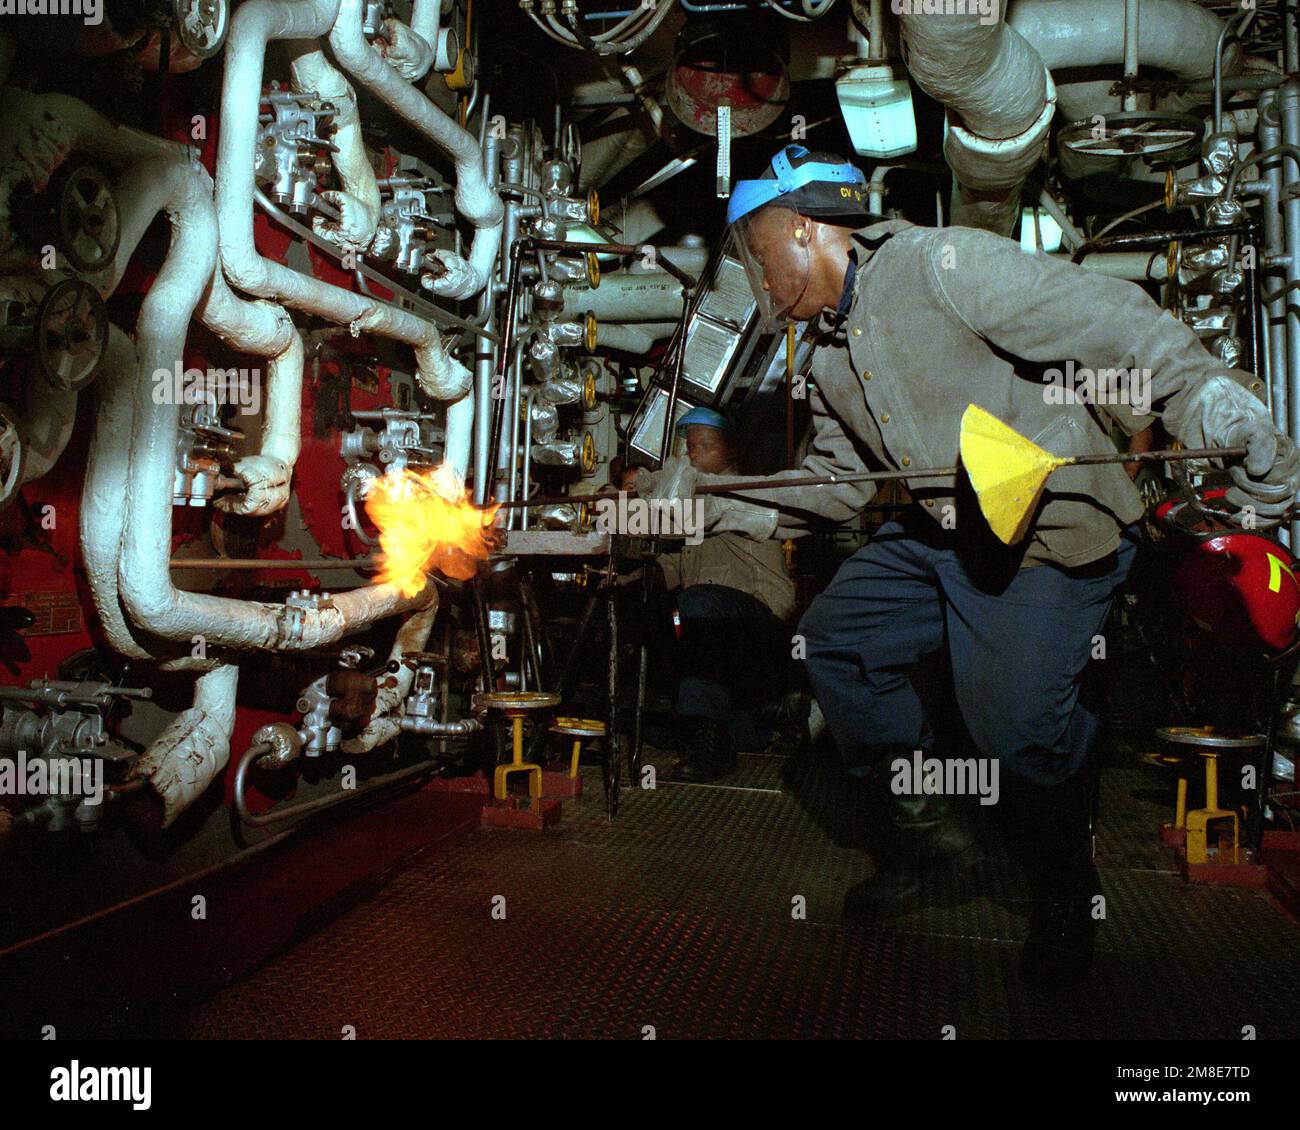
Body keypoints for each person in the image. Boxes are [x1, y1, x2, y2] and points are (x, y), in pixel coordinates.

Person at [632, 144, 1300, 989]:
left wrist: (1206, 393)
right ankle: (925, 832)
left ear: (803, 230)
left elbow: (1113, 322)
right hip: (943, 534)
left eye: (759, 261)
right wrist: (707, 501)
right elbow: (841, 488)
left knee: (1015, 731)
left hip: (1054, 540)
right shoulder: (830, 358)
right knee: (835, 642)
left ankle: (1063, 889)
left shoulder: (941, 267)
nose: (761, 289)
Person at [625, 407, 798, 782]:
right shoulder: (691, 496)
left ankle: (711, 748)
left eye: (706, 445)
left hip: (762, 622)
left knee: (699, 606)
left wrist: (638, 484)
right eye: (689, 446)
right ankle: (765, 714)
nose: (694, 454)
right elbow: (673, 567)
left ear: (731, 452)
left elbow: (683, 512)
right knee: (671, 612)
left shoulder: (738, 490)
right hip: (724, 640)